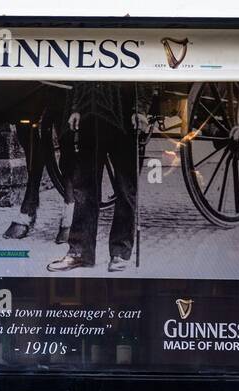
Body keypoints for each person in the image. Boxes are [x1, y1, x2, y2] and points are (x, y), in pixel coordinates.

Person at [48, 82, 158, 273]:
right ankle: (79, 252)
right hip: (92, 116)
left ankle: (120, 253)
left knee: (125, 188)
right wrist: (76, 108)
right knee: (84, 187)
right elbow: (83, 71)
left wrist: (141, 109)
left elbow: (145, 70)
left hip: (126, 115)